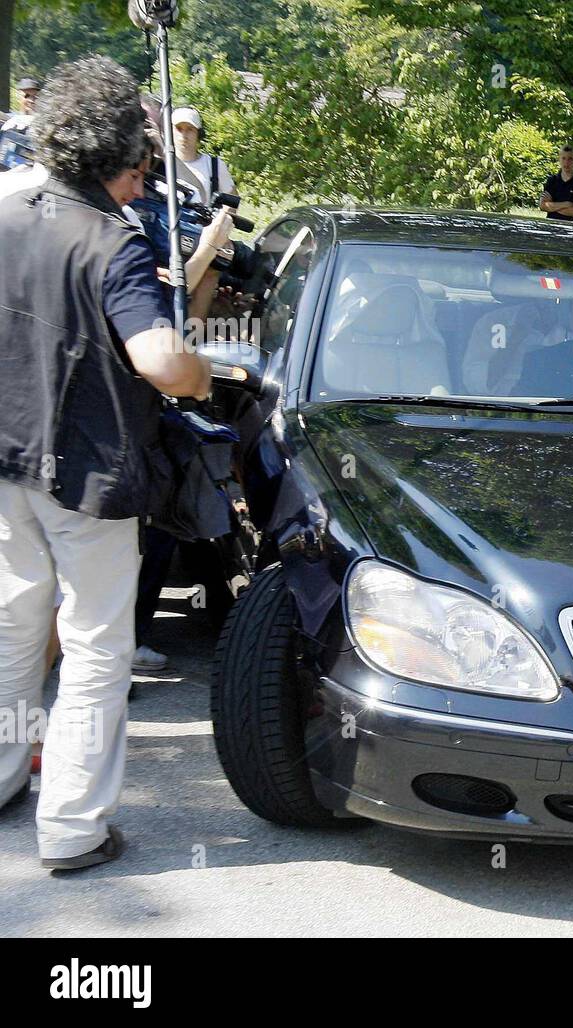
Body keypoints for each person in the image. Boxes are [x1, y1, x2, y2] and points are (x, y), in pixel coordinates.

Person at [0, 56, 212, 866]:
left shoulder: (7, 207)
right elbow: (160, 361)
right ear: (119, 160)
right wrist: (201, 374)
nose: (140, 186)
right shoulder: (111, 244)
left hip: (6, 459)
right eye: (138, 171)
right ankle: (73, 828)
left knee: (14, 626)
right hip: (85, 476)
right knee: (95, 645)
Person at [172, 106, 236, 205]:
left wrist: (219, 219)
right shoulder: (161, 163)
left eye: (190, 129)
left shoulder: (214, 165)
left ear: (199, 133)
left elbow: (232, 204)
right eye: (179, 129)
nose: (184, 135)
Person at [539, 145, 573, 221]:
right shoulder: (552, 181)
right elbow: (543, 206)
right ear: (559, 159)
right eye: (563, 158)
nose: (566, 162)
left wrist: (552, 207)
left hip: (570, 227)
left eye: (570, 159)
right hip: (551, 225)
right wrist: (566, 204)